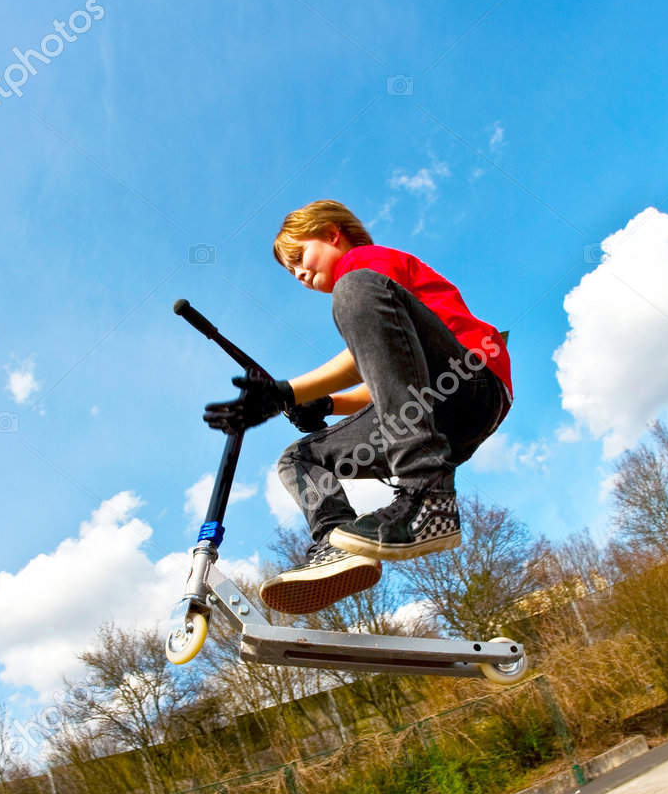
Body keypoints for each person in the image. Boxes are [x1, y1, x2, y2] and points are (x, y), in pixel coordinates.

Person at [203, 199, 513, 615]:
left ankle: (427, 493)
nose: (298, 272)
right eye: (290, 270)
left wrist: (288, 392)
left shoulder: (366, 265)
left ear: (332, 233)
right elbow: (397, 383)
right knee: (300, 458)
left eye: (299, 256)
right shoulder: (375, 311)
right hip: (437, 411)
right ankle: (336, 546)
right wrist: (326, 404)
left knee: (354, 291)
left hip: (470, 383)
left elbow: (373, 367)